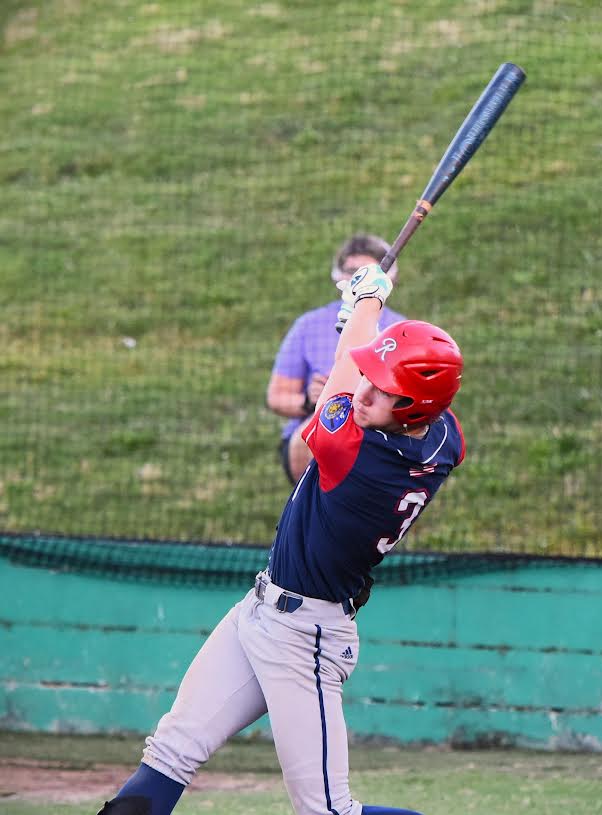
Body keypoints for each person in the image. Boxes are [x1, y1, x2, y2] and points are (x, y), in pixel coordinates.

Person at [96, 261, 465, 815]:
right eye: (370, 381)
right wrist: (364, 334)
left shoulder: (355, 453)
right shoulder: (442, 435)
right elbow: (360, 368)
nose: (365, 394)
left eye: (382, 392)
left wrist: (368, 298)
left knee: (326, 811)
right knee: (170, 752)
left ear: (412, 408)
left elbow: (342, 376)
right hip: (260, 611)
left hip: (307, 638)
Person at [267, 233, 405, 485]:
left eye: (367, 271)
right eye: (351, 270)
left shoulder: (403, 329)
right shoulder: (309, 325)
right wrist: (310, 402)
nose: (357, 277)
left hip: (378, 431)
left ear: (386, 278)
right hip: (311, 440)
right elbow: (277, 396)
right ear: (338, 275)